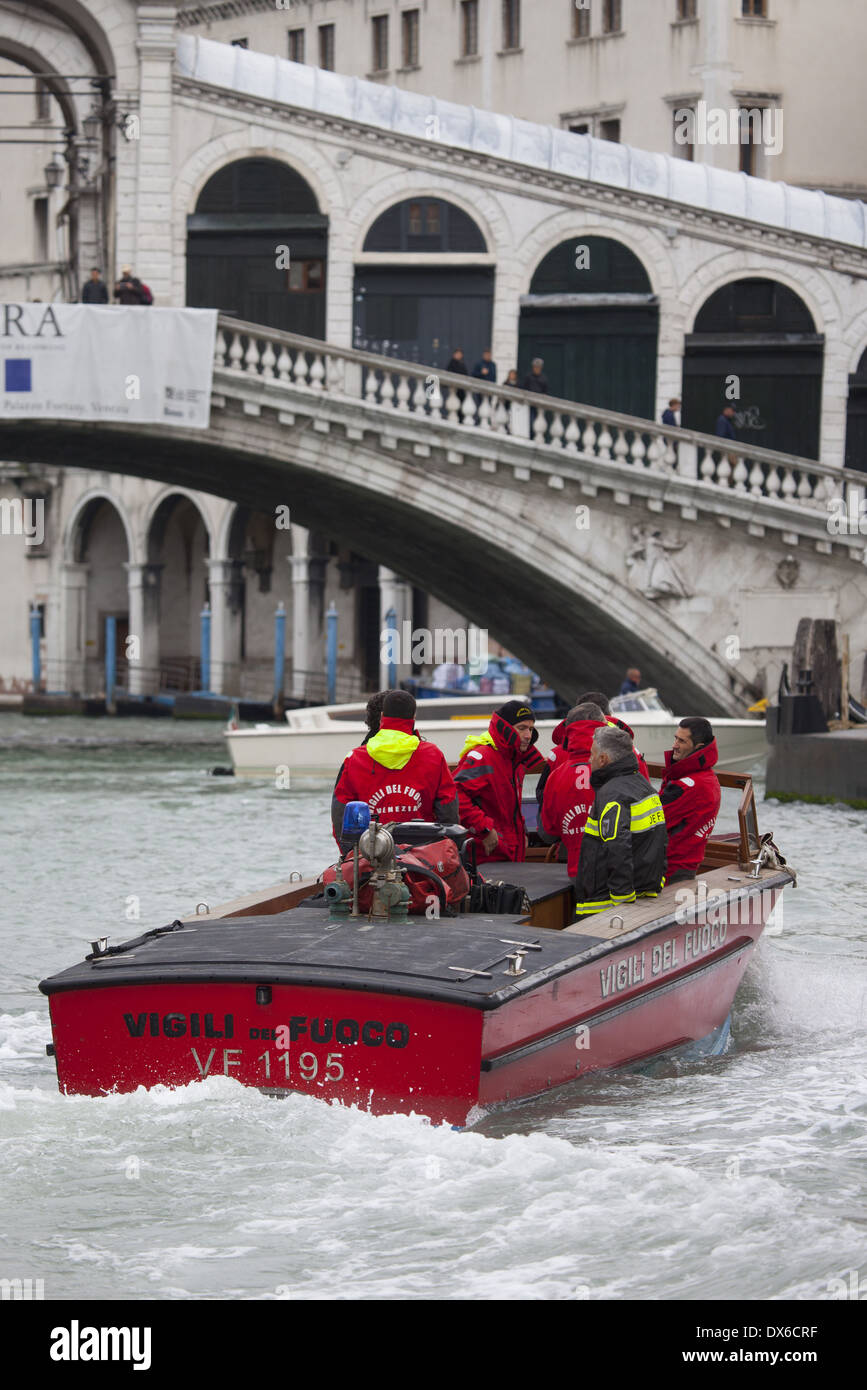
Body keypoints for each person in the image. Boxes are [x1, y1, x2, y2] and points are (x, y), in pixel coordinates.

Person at [331, 689, 458, 846]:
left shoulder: (354, 758)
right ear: (413, 718)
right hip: (424, 854)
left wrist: (350, 854)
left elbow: (340, 814)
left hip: (370, 854)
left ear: (382, 717)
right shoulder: (433, 755)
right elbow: (448, 812)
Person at [573, 725, 667, 920]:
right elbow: (661, 841)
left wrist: (622, 898)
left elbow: (617, 847)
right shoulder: (644, 786)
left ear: (603, 759)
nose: (589, 760)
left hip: (605, 905)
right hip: (645, 892)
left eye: (592, 755)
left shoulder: (612, 794)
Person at [453, 699, 546, 864]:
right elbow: (455, 795)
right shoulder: (484, 757)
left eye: (531, 729)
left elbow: (510, 809)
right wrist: (485, 829)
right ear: (506, 728)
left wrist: (521, 833)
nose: (528, 735)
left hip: (509, 853)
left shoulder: (514, 760)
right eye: (522, 728)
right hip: (488, 857)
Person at [537, 687, 649, 809]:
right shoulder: (630, 753)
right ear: (608, 715)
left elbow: (544, 799)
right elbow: (645, 795)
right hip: (618, 824)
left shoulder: (558, 754)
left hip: (567, 824)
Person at [538, 702, 607, 874]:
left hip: (575, 870)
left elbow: (548, 832)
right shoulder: (616, 766)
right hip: (614, 872)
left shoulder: (556, 776)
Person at [659, 717, 721, 883]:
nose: (674, 745)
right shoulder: (708, 779)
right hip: (686, 868)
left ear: (698, 747)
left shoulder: (688, 786)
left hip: (669, 871)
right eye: (675, 738)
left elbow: (654, 820)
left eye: (681, 741)